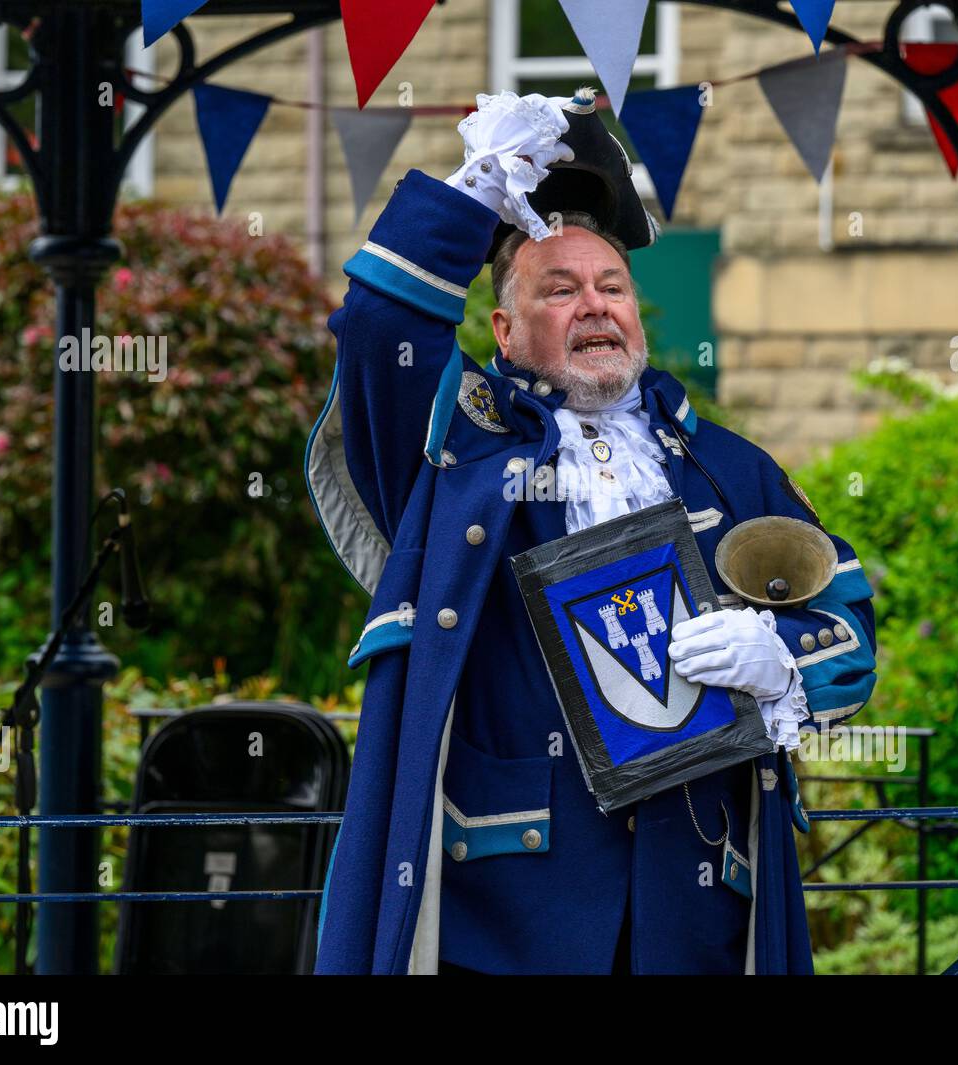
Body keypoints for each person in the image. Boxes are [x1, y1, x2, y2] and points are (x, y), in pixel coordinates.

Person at [305, 89, 878, 974]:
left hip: (689, 919)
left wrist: (780, 657)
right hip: (501, 917)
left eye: (613, 287)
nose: (596, 306)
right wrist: (472, 196)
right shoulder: (451, 457)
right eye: (561, 290)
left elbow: (845, 625)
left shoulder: (728, 465)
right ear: (502, 327)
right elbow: (382, 334)